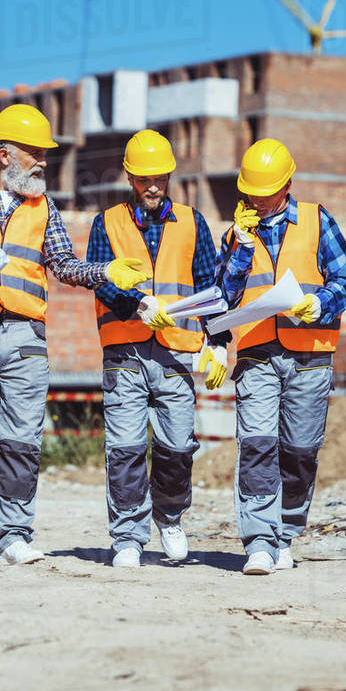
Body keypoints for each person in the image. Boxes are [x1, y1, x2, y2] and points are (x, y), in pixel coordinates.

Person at [0, 104, 150, 566]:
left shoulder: (44, 207)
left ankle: (11, 536)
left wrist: (108, 271)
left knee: (22, 441)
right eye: (35, 152)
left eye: (45, 153)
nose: (43, 161)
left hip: (27, 339)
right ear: (3, 154)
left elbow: (64, 265)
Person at [216, 138, 346, 575]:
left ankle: (286, 532)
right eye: (250, 194)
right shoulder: (238, 232)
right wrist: (239, 247)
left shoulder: (318, 221)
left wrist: (320, 304)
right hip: (257, 352)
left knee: (300, 450)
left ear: (286, 185)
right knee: (257, 445)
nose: (256, 202)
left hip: (310, 355)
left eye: (264, 194)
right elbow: (223, 296)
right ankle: (258, 540)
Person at [87, 129, 229, 568]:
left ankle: (169, 518)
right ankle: (128, 536)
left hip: (175, 354)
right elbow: (100, 280)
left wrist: (220, 342)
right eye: (144, 178)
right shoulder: (106, 222)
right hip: (124, 352)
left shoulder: (191, 222)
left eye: (160, 178)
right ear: (130, 177)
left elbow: (212, 288)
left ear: (169, 177)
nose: (153, 186)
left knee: (178, 446)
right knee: (126, 449)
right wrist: (137, 305)